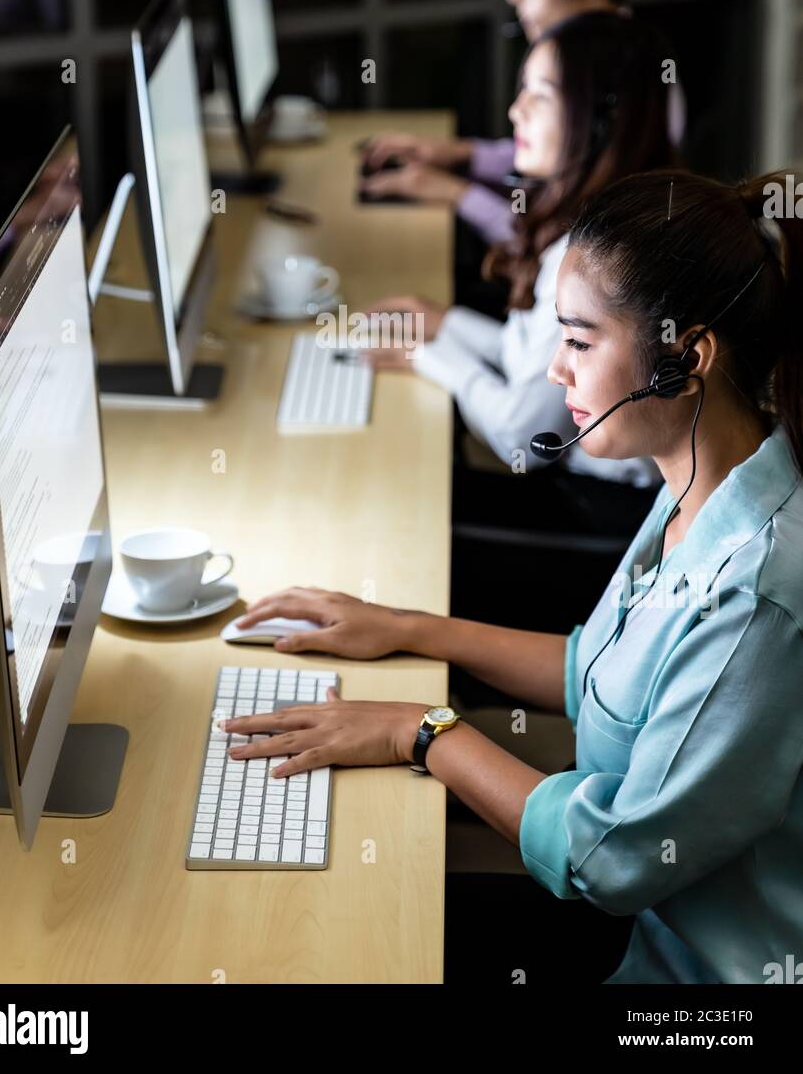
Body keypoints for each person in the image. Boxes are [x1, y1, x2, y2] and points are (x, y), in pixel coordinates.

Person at [220, 167, 803, 985]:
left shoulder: (755, 593)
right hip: (638, 927)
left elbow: (607, 856)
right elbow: (588, 670)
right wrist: (409, 627)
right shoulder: (706, 483)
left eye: (579, 341)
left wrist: (422, 733)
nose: (557, 372)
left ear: (686, 358)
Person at [362, 12, 674, 513]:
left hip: (597, 511)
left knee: (396, 494)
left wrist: (431, 359)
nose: (515, 111)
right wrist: (447, 323)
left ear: (597, 121)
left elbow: (523, 440)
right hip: (585, 489)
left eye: (541, 95)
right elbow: (532, 367)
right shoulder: (595, 220)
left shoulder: (596, 258)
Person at [359, 0, 651, 243]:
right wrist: (459, 155)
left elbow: (569, 247)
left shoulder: (634, 81)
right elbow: (564, 147)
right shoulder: (605, 58)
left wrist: (456, 192)